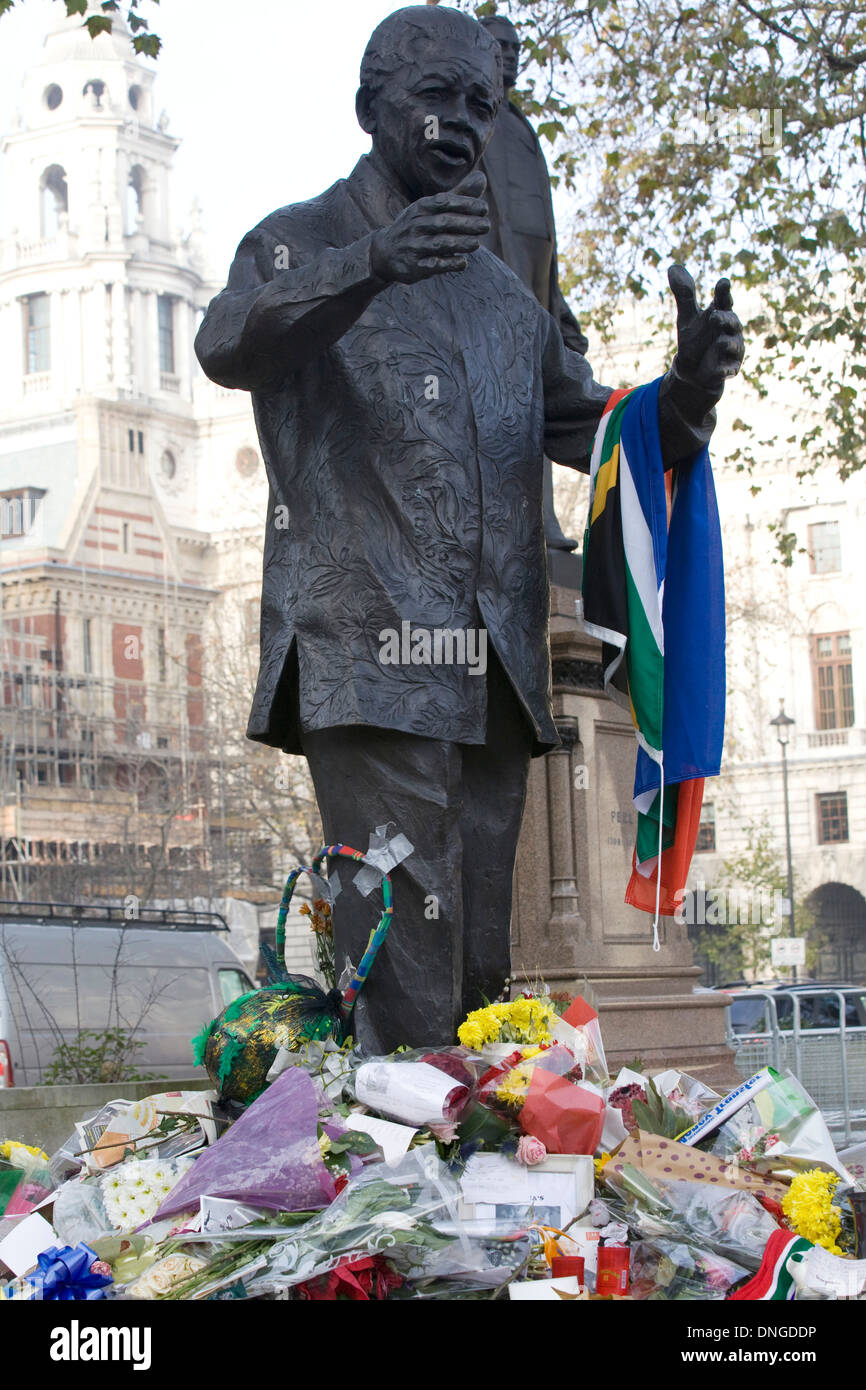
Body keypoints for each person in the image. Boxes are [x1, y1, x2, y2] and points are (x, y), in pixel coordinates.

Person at [195, 5, 743, 1051]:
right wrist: (373, 260)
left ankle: (466, 1139)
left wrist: (686, 392)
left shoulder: (500, 295)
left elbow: (595, 430)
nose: (461, 124)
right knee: (402, 952)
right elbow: (228, 342)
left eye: (481, 106)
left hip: (492, 668)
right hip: (367, 647)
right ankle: (402, 1139)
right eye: (436, 97)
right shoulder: (296, 239)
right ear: (372, 106)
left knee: (480, 955)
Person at [478, 12, 588, 552]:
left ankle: (539, 520)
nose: (511, 56)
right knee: (497, 399)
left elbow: (544, 228)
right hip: (491, 285)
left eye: (516, 47)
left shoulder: (521, 128)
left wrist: (556, 304)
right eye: (500, 46)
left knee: (537, 395)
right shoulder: (472, 121)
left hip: (535, 283)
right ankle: (503, 525)